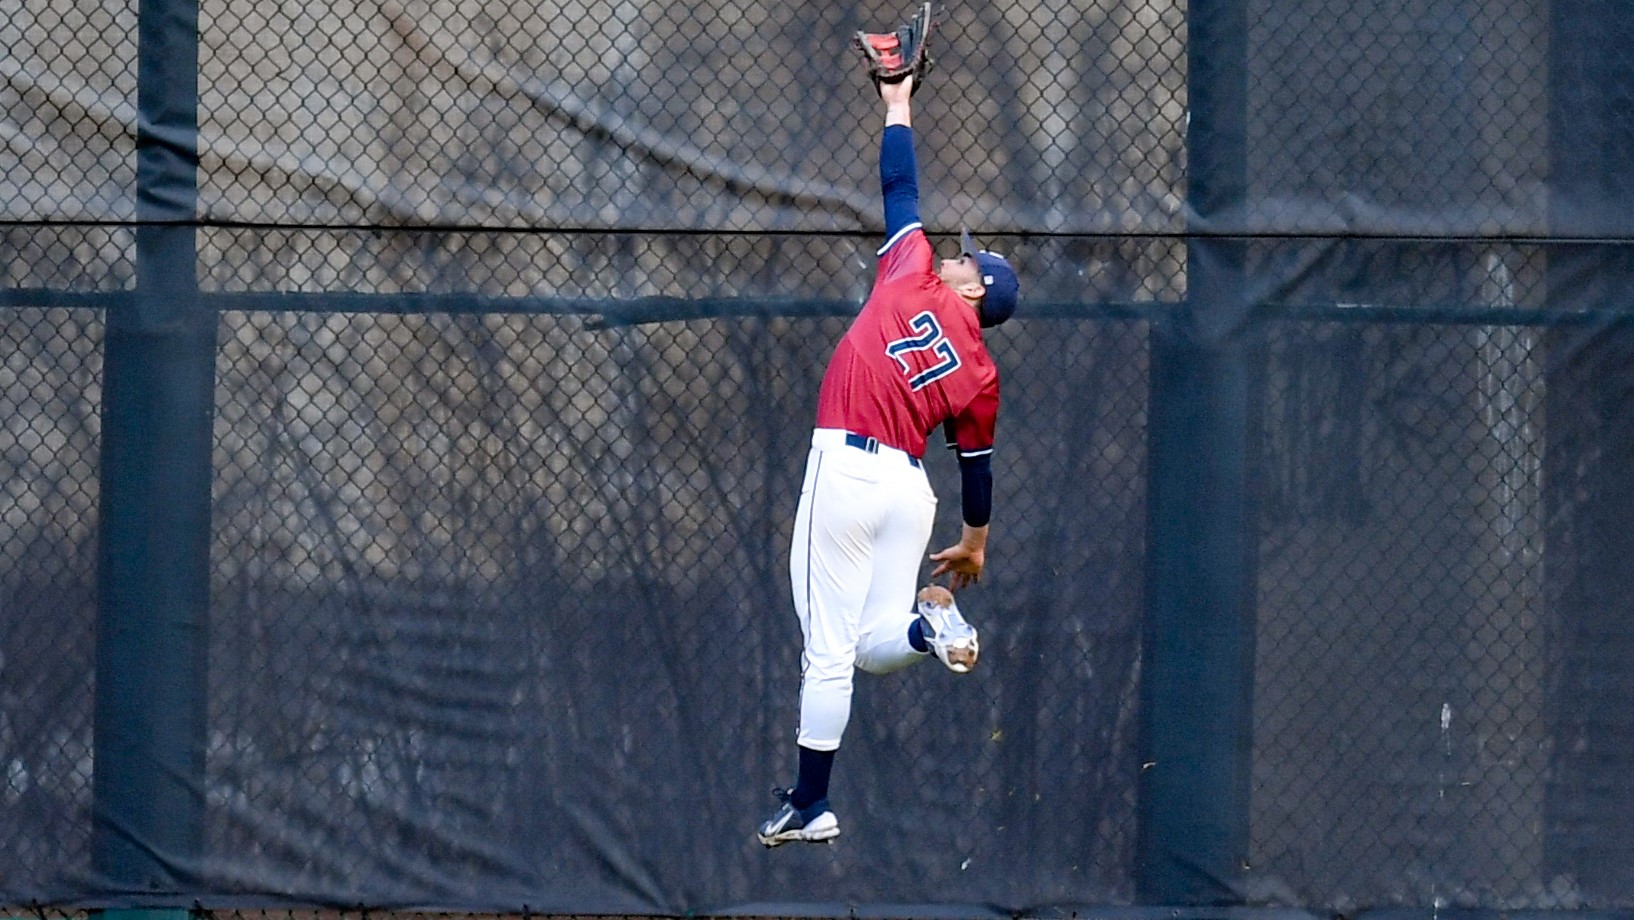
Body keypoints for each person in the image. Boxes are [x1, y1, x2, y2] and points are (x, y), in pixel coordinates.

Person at [757, 70, 1020, 848]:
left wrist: (898, 104)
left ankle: (810, 802)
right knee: (873, 647)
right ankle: (928, 632)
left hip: (847, 471)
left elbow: (899, 187)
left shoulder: (911, 271)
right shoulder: (983, 373)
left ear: (978, 292)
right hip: (909, 489)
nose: (958, 259)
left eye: (971, 262)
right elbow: (977, 468)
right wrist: (975, 542)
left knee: (827, 652)